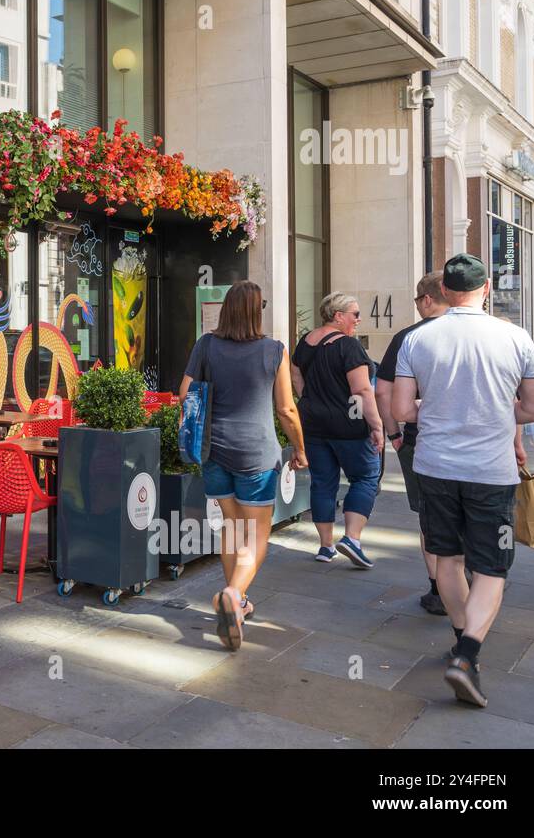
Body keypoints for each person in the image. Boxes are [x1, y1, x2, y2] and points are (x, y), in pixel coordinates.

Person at [393, 253, 534, 708]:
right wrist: (499, 412)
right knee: (493, 566)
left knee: (446, 558)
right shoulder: (514, 337)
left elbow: (402, 411)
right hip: (490, 471)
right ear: (485, 291)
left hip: (436, 465)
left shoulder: (417, 339)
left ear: (442, 292)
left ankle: (462, 636)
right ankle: (467, 653)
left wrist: (438, 409)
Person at [179, 280, 307, 652]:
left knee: (231, 528)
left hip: (214, 450)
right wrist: (299, 449)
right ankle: (234, 594)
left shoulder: (206, 345)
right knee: (257, 536)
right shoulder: (274, 351)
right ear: (256, 311)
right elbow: (286, 408)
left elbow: (185, 393)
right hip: (256, 453)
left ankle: (240, 602)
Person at [291, 292, 383, 567]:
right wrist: (377, 426)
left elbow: (294, 372)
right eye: (355, 314)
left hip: (314, 424)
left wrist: (307, 397)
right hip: (350, 425)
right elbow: (363, 389)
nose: (359, 319)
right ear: (338, 315)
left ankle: (325, 546)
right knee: (366, 477)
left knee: (323, 482)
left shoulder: (306, 342)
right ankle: (352, 538)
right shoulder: (349, 346)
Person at [375, 272, 448, 615]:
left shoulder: (408, 337)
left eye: (418, 301)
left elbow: (383, 391)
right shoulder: (490, 333)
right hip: (481, 442)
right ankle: (475, 583)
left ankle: (438, 589)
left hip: (422, 441)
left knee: (430, 516)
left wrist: (393, 433)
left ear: (428, 300)